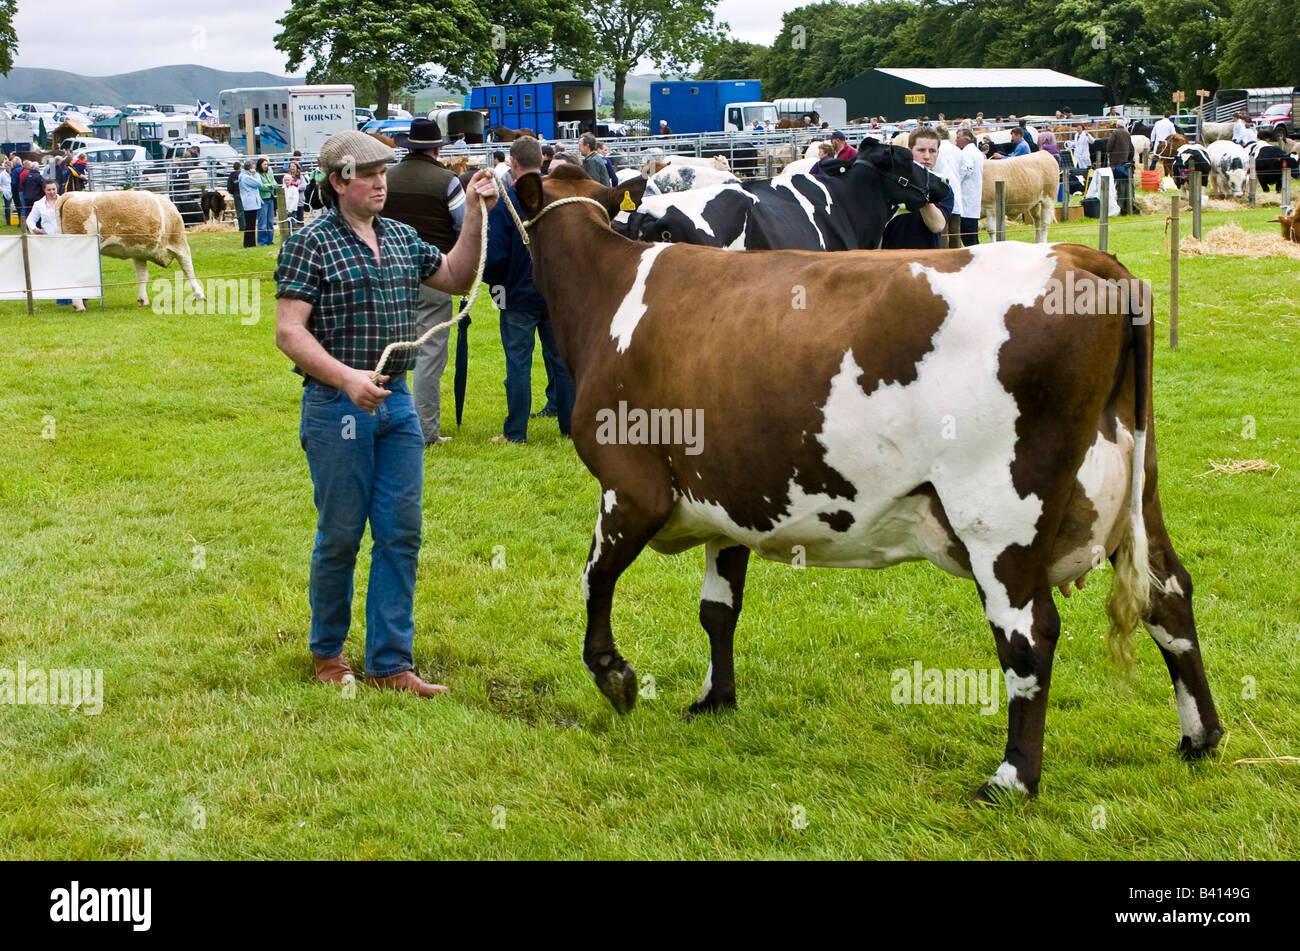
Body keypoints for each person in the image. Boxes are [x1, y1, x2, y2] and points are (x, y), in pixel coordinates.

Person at [274, 129, 498, 697]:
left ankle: (390, 662)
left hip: (397, 406)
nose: (382, 183)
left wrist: (473, 211)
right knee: (341, 536)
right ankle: (328, 654)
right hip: (335, 407)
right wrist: (346, 378)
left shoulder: (400, 237)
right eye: (369, 174)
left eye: (384, 172)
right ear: (338, 181)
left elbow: (455, 276)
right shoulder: (311, 243)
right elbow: (288, 331)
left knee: (401, 533)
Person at [483, 136, 575, 446]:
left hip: (517, 294)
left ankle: (515, 433)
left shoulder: (506, 201)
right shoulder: (558, 199)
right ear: (542, 160)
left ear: (513, 162)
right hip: (554, 294)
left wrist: (496, 285)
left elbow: (494, 256)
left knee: (518, 364)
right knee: (561, 361)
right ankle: (571, 426)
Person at [381, 118, 465, 448]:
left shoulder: (385, 178)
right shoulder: (448, 180)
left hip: (388, 274)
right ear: (437, 148)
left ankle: (384, 418)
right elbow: (463, 226)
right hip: (434, 272)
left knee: (388, 349)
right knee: (429, 354)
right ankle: (426, 431)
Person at [880, 126, 953, 250]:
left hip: (927, 263)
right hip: (891, 260)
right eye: (921, 150)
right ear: (909, 151)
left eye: (932, 151)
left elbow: (937, 226)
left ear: (938, 153)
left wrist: (921, 188)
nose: (927, 156)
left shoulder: (943, 189)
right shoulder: (890, 184)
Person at [933, 124, 965, 244]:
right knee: (955, 233)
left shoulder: (936, 150)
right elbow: (962, 171)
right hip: (955, 192)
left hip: (940, 193)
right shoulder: (958, 151)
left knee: (942, 233)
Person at [955, 127, 984, 247]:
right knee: (972, 238)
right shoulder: (976, 152)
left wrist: (954, 180)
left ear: (965, 139)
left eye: (957, 138)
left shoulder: (967, 153)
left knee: (969, 239)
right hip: (972, 200)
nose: (956, 141)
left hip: (966, 200)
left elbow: (966, 170)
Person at [237, 160, 262, 248]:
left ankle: (250, 243)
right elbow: (259, 183)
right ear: (250, 168)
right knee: (250, 224)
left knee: (251, 224)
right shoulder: (246, 177)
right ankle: (249, 243)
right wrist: (256, 174)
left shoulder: (244, 176)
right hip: (250, 203)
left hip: (250, 202)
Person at [255, 157, 276, 245]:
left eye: (267, 164)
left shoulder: (270, 175)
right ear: (260, 165)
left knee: (270, 221)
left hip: (270, 199)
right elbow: (261, 187)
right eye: (264, 164)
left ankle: (270, 240)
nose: (266, 166)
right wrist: (269, 186)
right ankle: (262, 241)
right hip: (263, 200)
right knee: (262, 221)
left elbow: (276, 185)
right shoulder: (257, 175)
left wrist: (270, 186)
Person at [283, 160, 306, 230]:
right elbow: (284, 186)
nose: (292, 168)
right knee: (291, 220)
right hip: (289, 203)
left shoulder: (301, 177)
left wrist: (295, 189)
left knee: (300, 218)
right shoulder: (287, 176)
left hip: (299, 201)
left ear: (297, 167)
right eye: (291, 166)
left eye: (293, 166)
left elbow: (304, 186)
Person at [0, 160, 11, 224]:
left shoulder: (12, 173)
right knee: (7, 207)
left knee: (14, 207)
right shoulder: (2, 174)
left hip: (12, 191)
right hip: (5, 192)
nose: (7, 167)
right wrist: (3, 190)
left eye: (8, 166)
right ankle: (8, 221)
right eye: (6, 166)